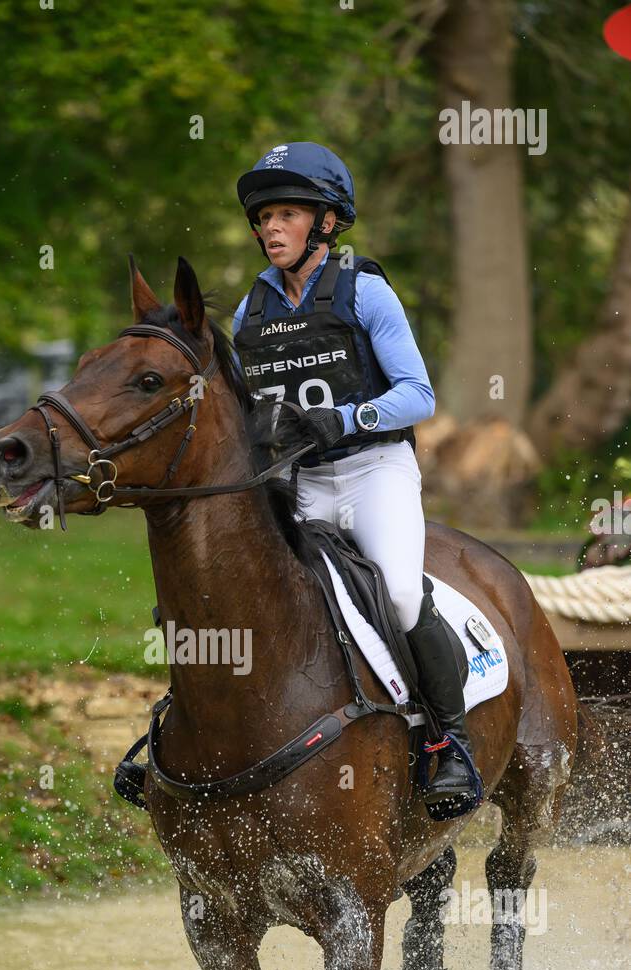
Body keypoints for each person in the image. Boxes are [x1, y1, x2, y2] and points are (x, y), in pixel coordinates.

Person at [232, 141, 481, 813]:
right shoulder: (248, 314)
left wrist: (345, 418)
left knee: (399, 595)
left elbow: (418, 395)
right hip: (300, 485)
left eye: (285, 214)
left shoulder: (364, 289)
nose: (270, 229)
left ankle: (447, 742)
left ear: (327, 222)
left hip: (374, 472)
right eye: (263, 218)